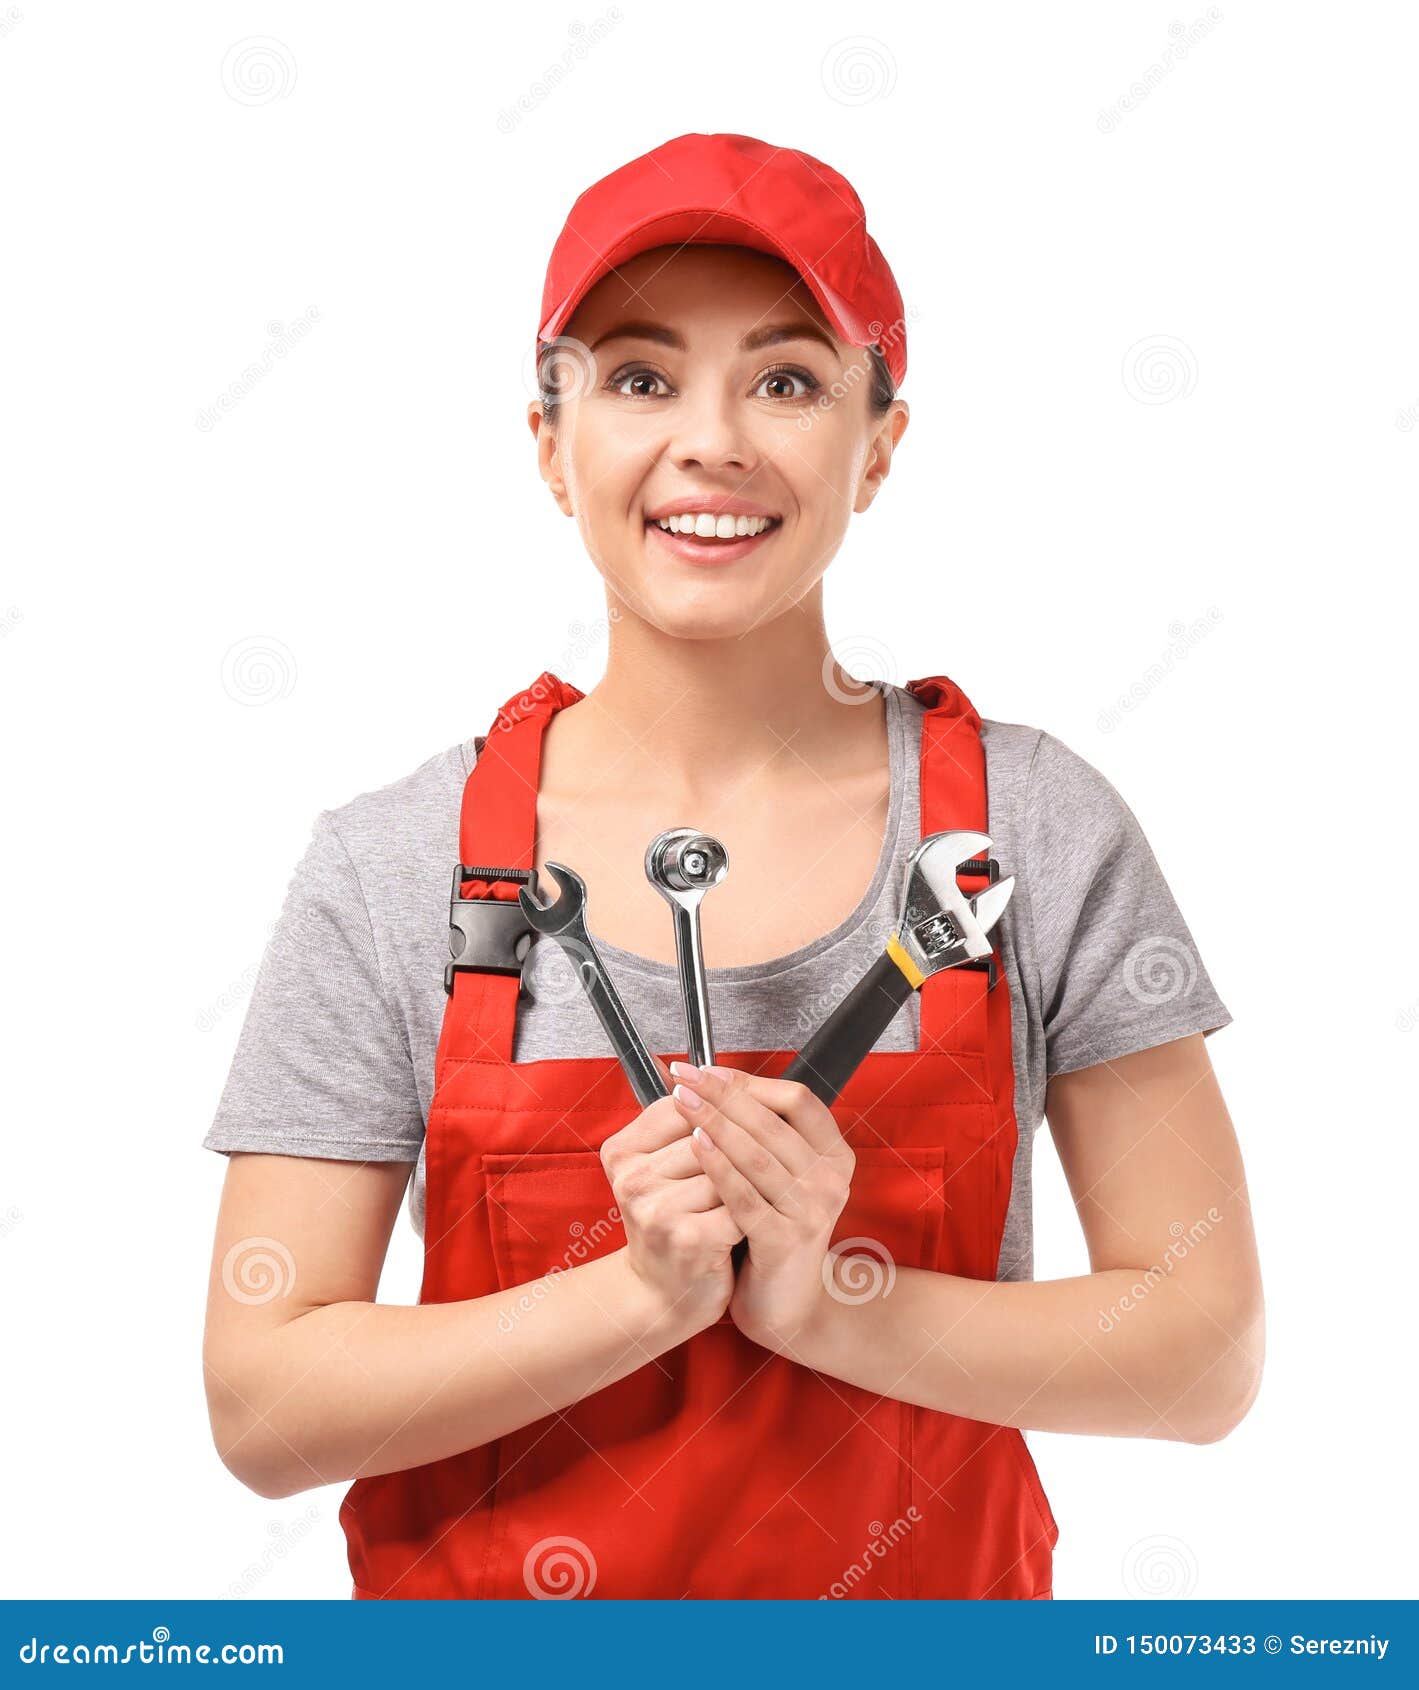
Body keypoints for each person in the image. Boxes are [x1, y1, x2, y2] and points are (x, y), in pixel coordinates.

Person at [202, 132, 1262, 1601]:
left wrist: (835, 1305)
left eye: (786, 378)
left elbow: (1201, 1352)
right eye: (641, 379)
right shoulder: (395, 867)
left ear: (878, 445)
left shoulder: (1032, 827)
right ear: (547, 444)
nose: (714, 439)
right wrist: (637, 1294)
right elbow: (263, 1401)